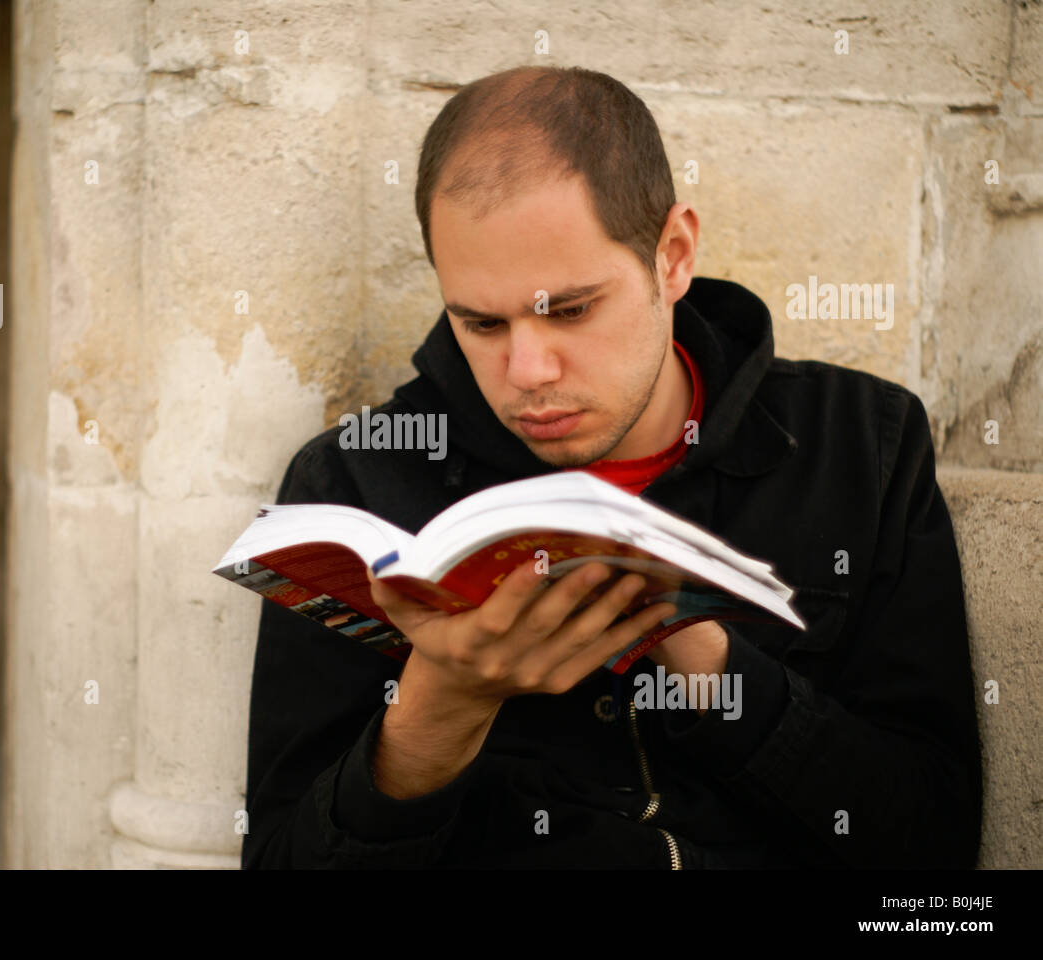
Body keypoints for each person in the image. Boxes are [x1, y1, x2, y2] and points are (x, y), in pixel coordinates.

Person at [239, 65, 981, 869]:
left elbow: (932, 846)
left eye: (572, 309)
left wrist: (704, 659)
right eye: (481, 322)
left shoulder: (858, 445)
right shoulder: (357, 486)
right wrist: (439, 709)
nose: (527, 370)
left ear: (673, 255)